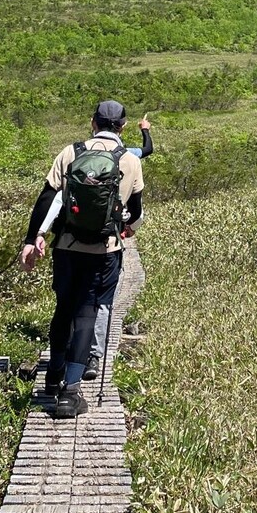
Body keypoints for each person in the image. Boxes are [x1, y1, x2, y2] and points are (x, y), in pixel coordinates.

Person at [21, 100, 144, 419]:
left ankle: (52, 379)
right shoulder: (130, 160)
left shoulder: (70, 152)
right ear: (123, 127)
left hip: (66, 246)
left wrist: (32, 238)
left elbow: (47, 198)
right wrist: (125, 225)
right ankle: (70, 393)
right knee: (89, 311)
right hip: (104, 251)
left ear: (92, 123)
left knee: (64, 308)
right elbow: (137, 211)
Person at [82, 116, 153, 381]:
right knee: (103, 300)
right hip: (109, 241)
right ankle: (93, 355)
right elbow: (148, 150)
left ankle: (66, 353)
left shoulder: (76, 151)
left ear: (93, 123)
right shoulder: (128, 155)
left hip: (73, 240)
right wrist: (145, 131)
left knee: (75, 297)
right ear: (121, 127)